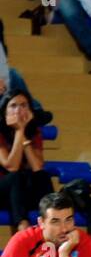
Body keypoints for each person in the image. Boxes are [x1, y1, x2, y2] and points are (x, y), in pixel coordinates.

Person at [0, 91, 55, 231]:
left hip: (20, 195)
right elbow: (11, 166)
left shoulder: (33, 132)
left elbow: (37, 166)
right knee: (15, 177)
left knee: (43, 176)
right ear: (4, 111)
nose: (18, 110)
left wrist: (22, 132)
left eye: (23, 105)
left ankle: (52, 226)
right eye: (13, 106)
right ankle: (23, 229)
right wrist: (19, 131)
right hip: (3, 191)